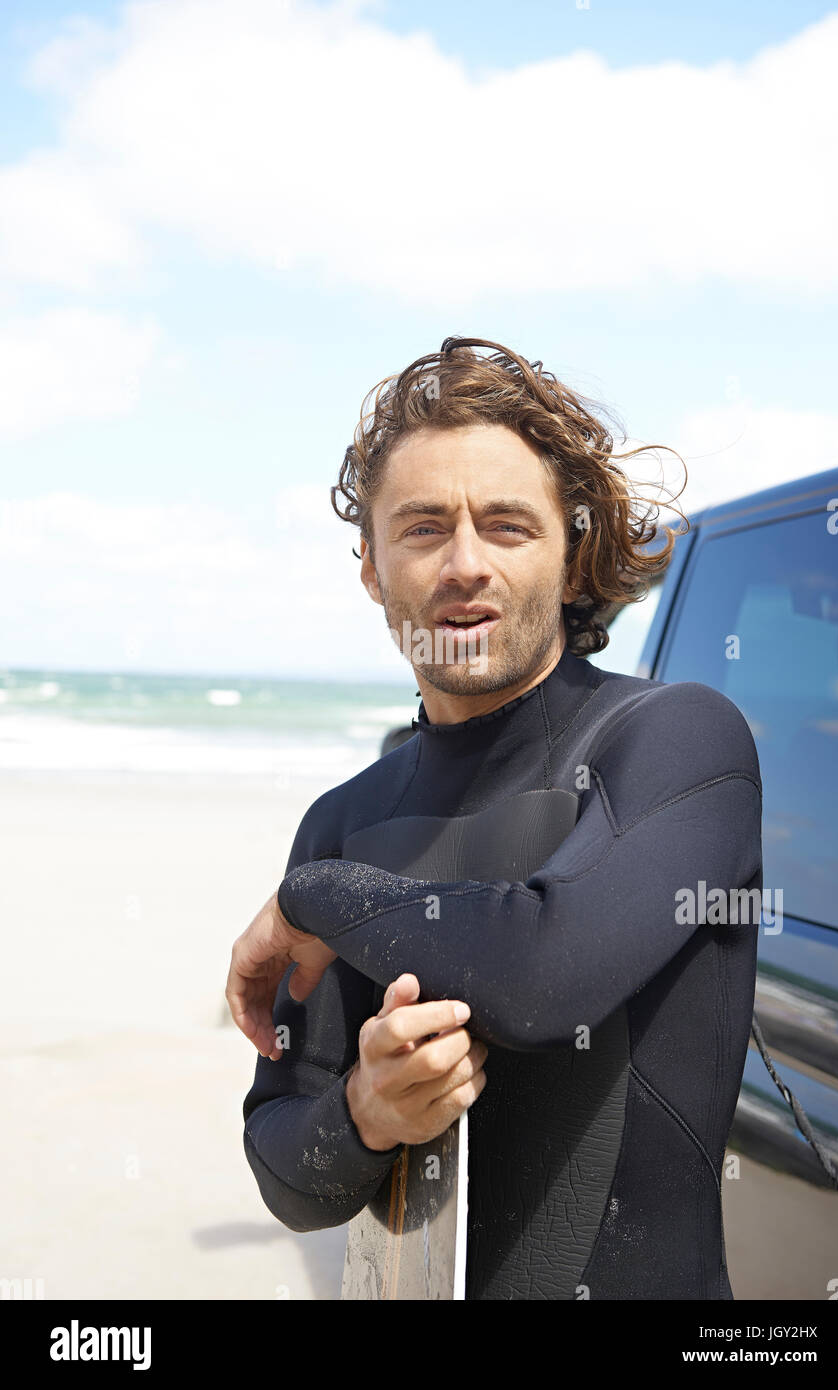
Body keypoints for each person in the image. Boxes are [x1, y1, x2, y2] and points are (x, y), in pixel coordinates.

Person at [226, 336, 764, 1299]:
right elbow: (283, 1177)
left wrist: (307, 899)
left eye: (507, 526)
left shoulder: (677, 741)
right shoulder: (345, 820)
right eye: (424, 527)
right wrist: (364, 1115)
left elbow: (547, 972)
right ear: (371, 567)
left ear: (570, 560)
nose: (463, 563)